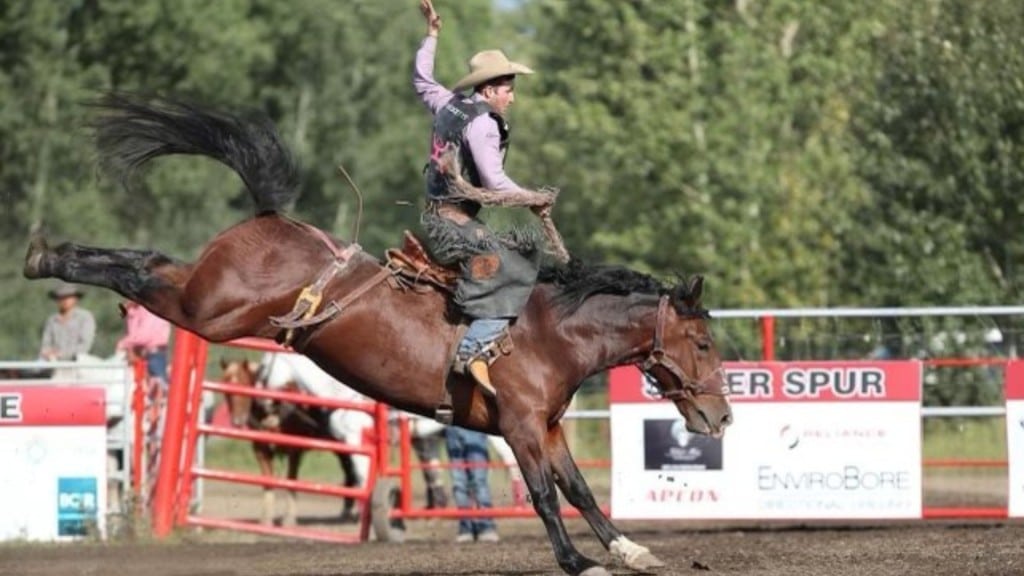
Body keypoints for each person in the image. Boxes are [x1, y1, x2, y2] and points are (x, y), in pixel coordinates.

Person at [445, 425, 499, 543]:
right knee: (459, 483)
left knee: (478, 480)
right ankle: (466, 527)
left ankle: (486, 526)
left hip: (473, 427)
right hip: (453, 429)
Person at [116, 300, 171, 383]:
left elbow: (144, 335)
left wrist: (124, 344)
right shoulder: (137, 310)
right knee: (147, 387)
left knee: (159, 386)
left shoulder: (150, 309)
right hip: (147, 355)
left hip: (155, 355)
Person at [39, 281, 95, 361]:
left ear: (75, 298)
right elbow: (45, 344)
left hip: (77, 363)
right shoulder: (52, 320)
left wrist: (61, 354)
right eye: (61, 297)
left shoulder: (85, 317)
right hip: (53, 362)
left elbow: (84, 345)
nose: (65, 300)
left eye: (68, 296)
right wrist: (48, 353)